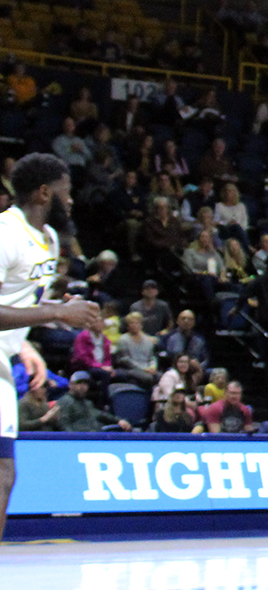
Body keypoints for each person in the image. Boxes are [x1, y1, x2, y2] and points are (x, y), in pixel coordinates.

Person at [0, 155, 101, 537]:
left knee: (4, 474)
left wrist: (53, 317)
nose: (72, 200)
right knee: (3, 474)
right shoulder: (5, 233)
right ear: (44, 193)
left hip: (5, 357)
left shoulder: (50, 238)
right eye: (66, 192)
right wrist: (49, 315)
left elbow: (20, 300)